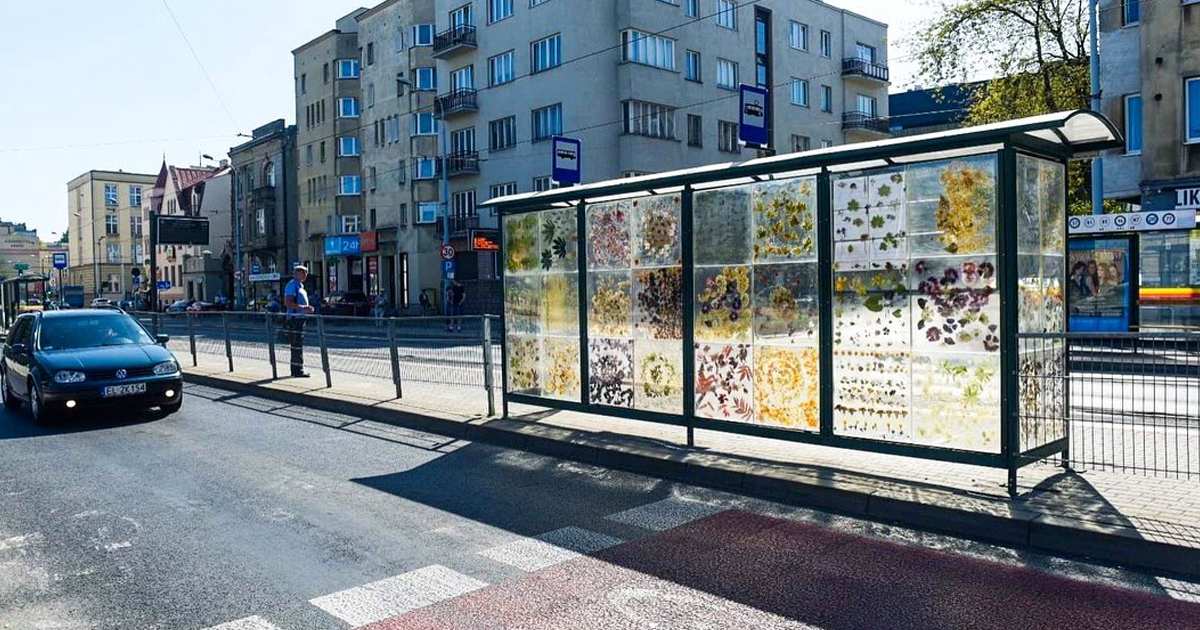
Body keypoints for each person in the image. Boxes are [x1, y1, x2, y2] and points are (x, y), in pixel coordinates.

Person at [283, 265, 315, 378]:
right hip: (294, 319)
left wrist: (305, 309)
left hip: (300, 318)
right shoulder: (293, 285)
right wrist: (304, 308)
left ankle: (297, 369)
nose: (306, 275)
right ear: (297, 273)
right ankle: (297, 370)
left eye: (306, 273)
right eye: (303, 273)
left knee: (298, 344)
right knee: (296, 344)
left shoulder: (300, 286)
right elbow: (288, 302)